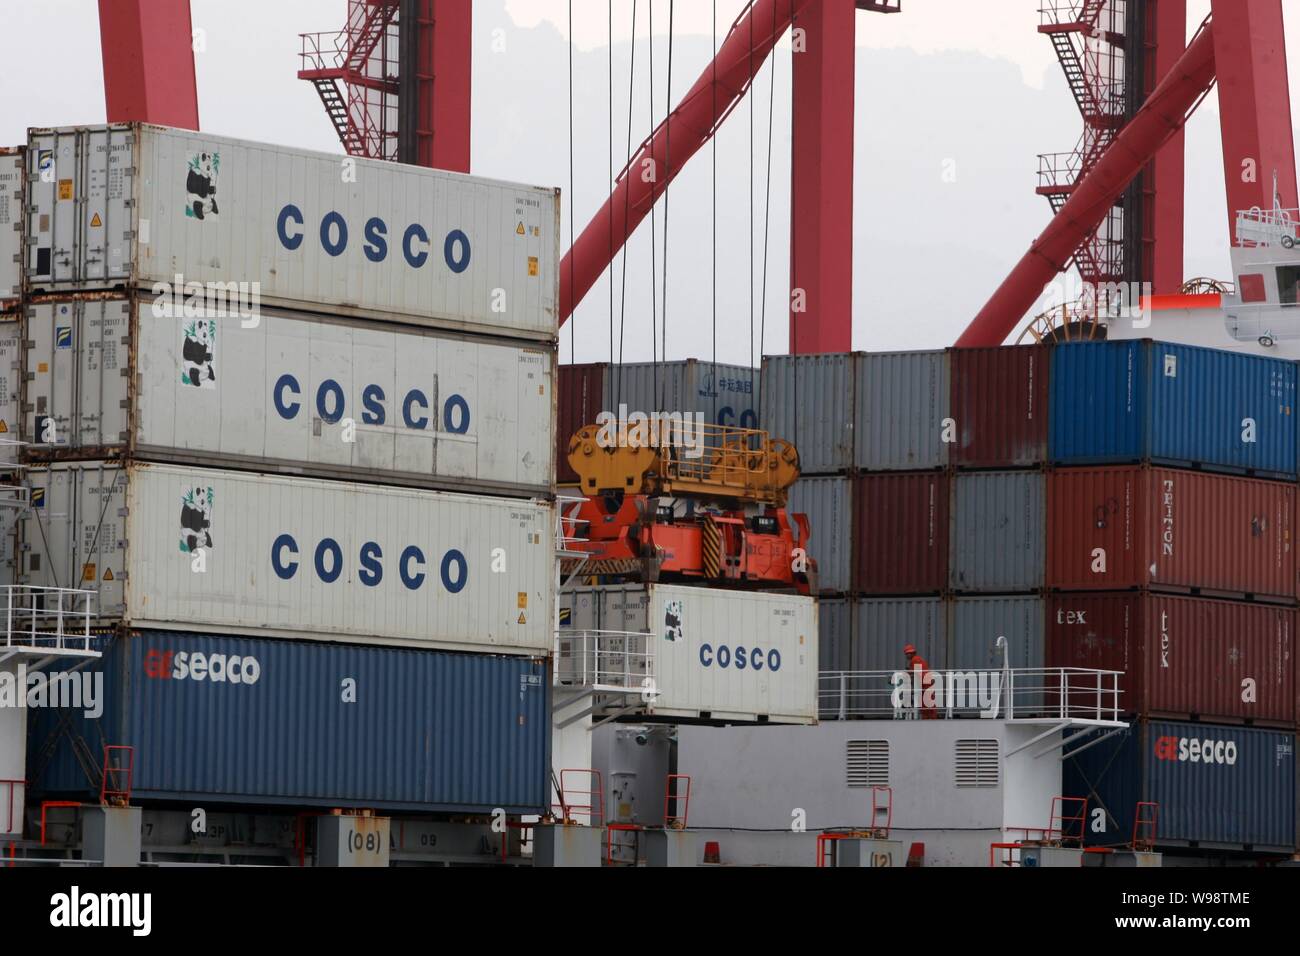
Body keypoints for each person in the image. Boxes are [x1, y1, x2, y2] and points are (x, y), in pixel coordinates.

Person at [904, 643, 938, 720]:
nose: (907, 655)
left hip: (925, 683)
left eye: (908, 653)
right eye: (906, 654)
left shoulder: (915, 660)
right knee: (928, 703)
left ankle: (929, 719)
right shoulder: (918, 659)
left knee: (926, 704)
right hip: (926, 682)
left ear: (912, 653)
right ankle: (930, 719)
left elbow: (915, 672)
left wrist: (907, 673)